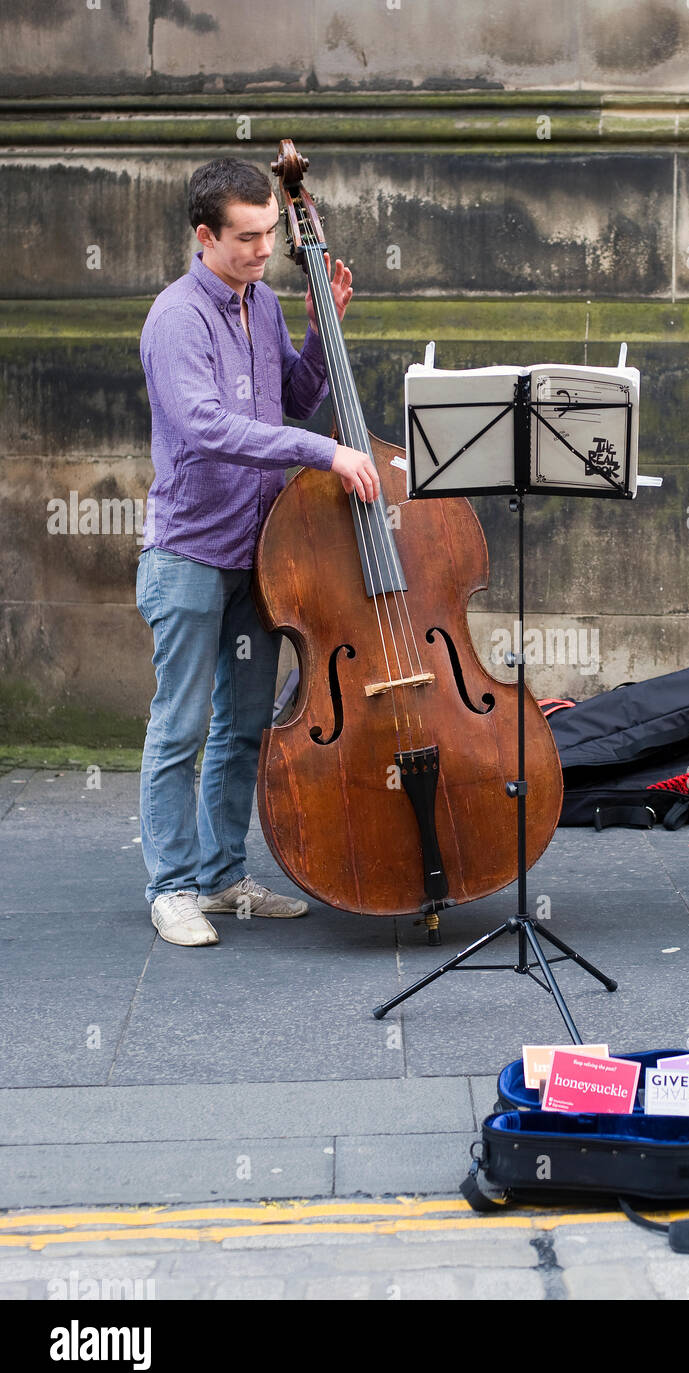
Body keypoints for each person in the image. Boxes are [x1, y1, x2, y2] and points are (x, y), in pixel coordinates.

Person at [137, 157, 380, 947]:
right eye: (247, 237)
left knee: (243, 726)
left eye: (272, 231)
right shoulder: (177, 320)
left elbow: (294, 397)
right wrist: (324, 453)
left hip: (259, 555)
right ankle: (170, 886)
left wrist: (323, 332)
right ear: (205, 236)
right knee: (179, 726)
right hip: (189, 555)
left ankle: (220, 876)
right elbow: (208, 426)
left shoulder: (263, 302)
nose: (264, 248)